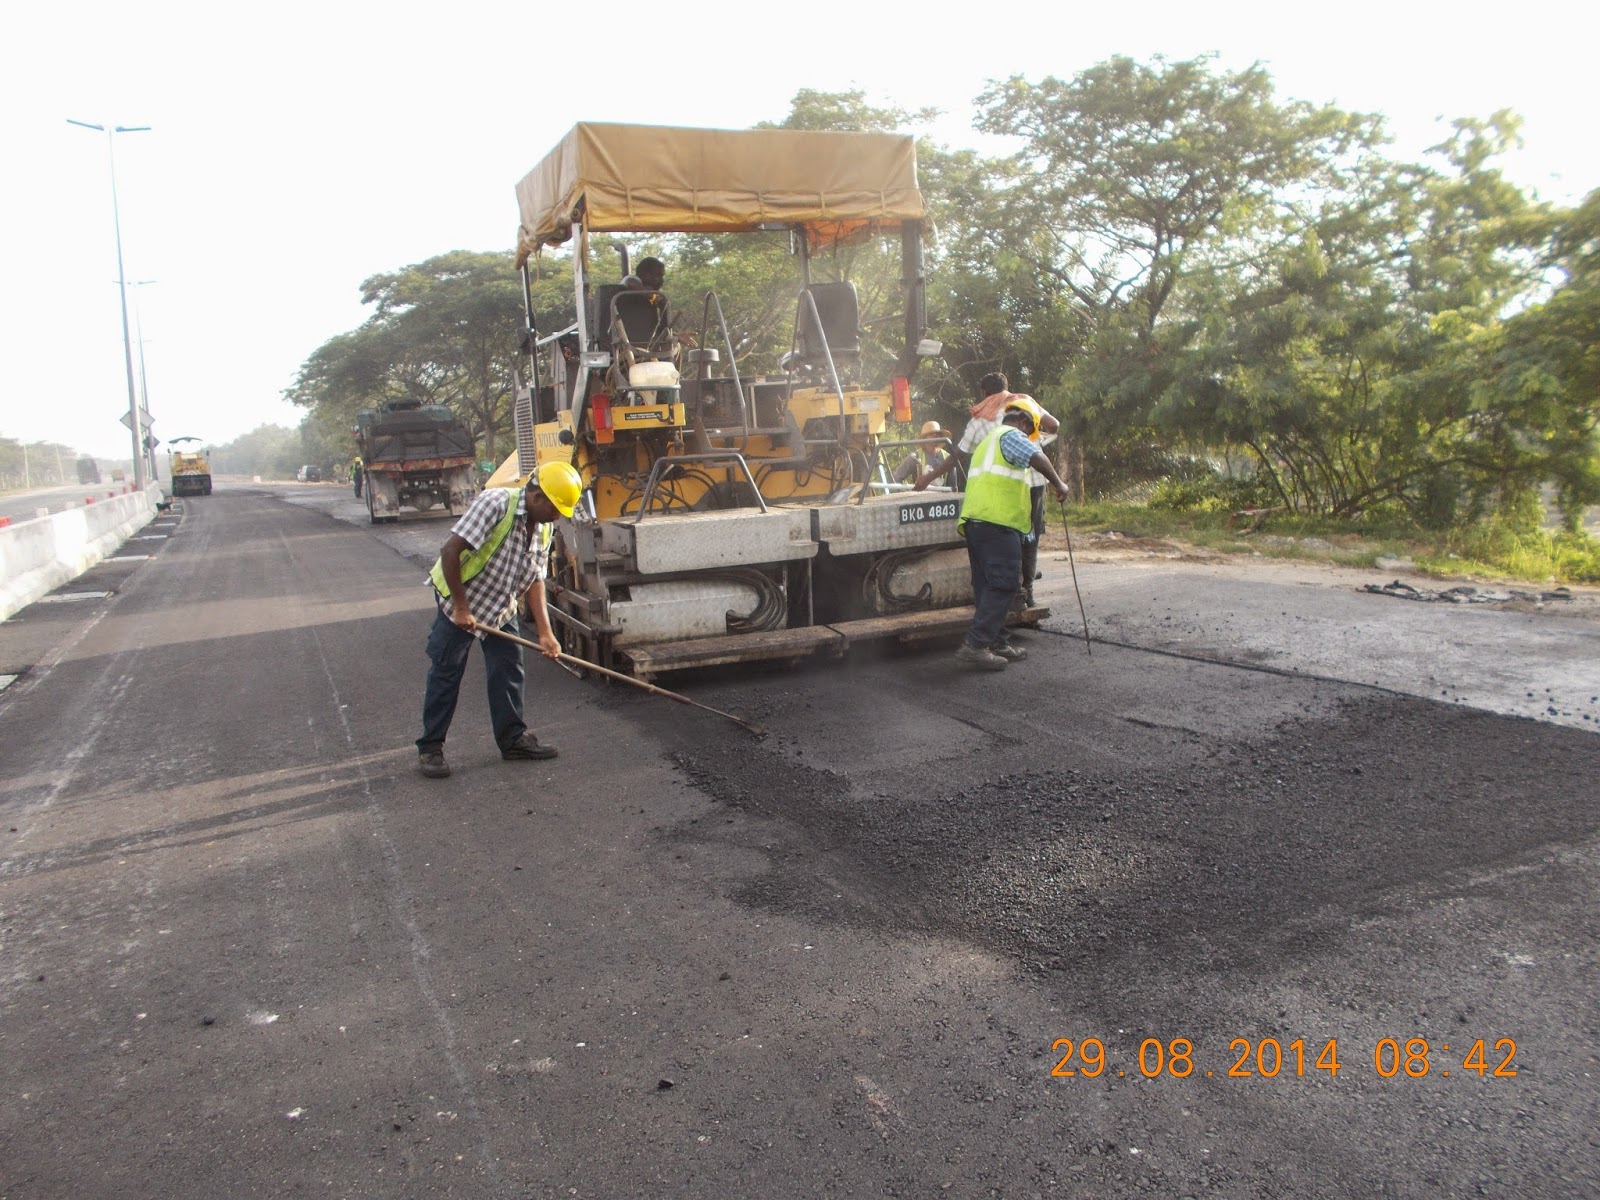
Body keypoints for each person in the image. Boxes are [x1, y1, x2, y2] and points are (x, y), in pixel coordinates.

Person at [415, 461, 583, 778]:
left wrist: (546, 634)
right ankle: (430, 748)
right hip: (461, 602)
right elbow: (450, 551)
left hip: (500, 607)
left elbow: (535, 580)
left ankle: (512, 740)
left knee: (508, 669)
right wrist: (463, 609)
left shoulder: (544, 526)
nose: (557, 516)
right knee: (446, 672)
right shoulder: (496, 504)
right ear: (537, 497)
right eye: (555, 508)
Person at [914, 372, 1061, 604]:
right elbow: (1054, 425)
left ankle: (1010, 594)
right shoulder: (1025, 404)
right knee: (1030, 537)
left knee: (1007, 539)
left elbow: (958, 455)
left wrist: (927, 478)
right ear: (1007, 387)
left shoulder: (980, 419)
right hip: (1034, 482)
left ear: (983, 392)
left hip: (1004, 489)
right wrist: (1038, 440)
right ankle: (1027, 593)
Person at [953, 398, 1071, 671]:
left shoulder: (988, 442)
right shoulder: (1012, 435)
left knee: (986, 586)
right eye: (1031, 431)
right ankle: (976, 645)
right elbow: (1037, 457)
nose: (1030, 437)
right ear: (1025, 423)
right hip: (997, 524)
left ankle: (996, 640)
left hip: (977, 523)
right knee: (1005, 584)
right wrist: (1059, 483)